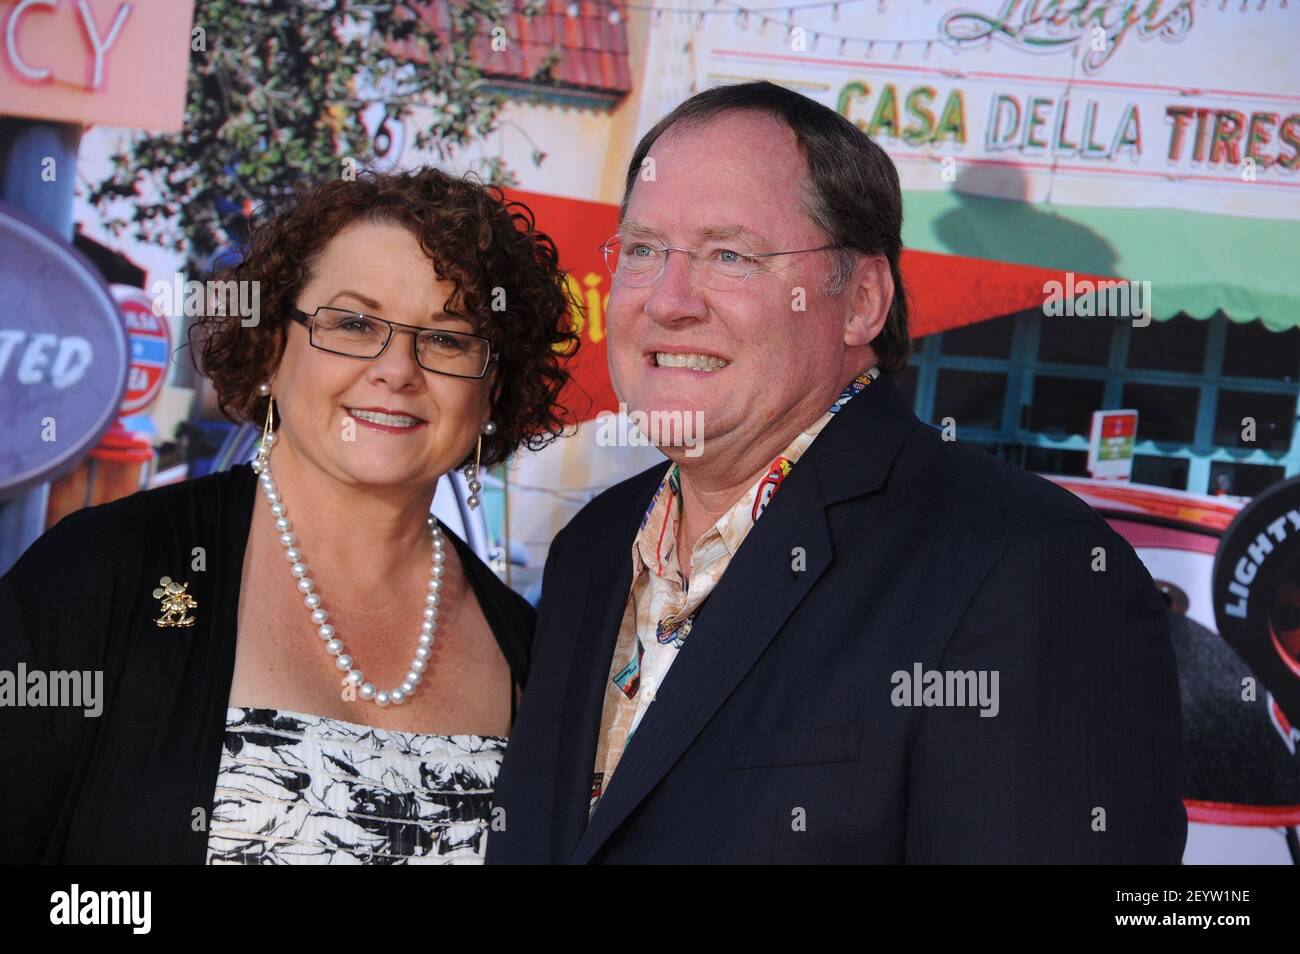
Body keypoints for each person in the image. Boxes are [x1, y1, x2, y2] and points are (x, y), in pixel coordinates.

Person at [487, 81, 1187, 863]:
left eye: (730, 255)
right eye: (644, 249)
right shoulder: (591, 549)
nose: (668, 300)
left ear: (860, 301)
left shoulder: (1030, 567)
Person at [0, 168, 578, 864]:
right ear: (273, 348)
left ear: (492, 391)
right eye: (354, 323)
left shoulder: (529, 650)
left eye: (449, 338)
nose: (398, 369)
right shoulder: (99, 576)